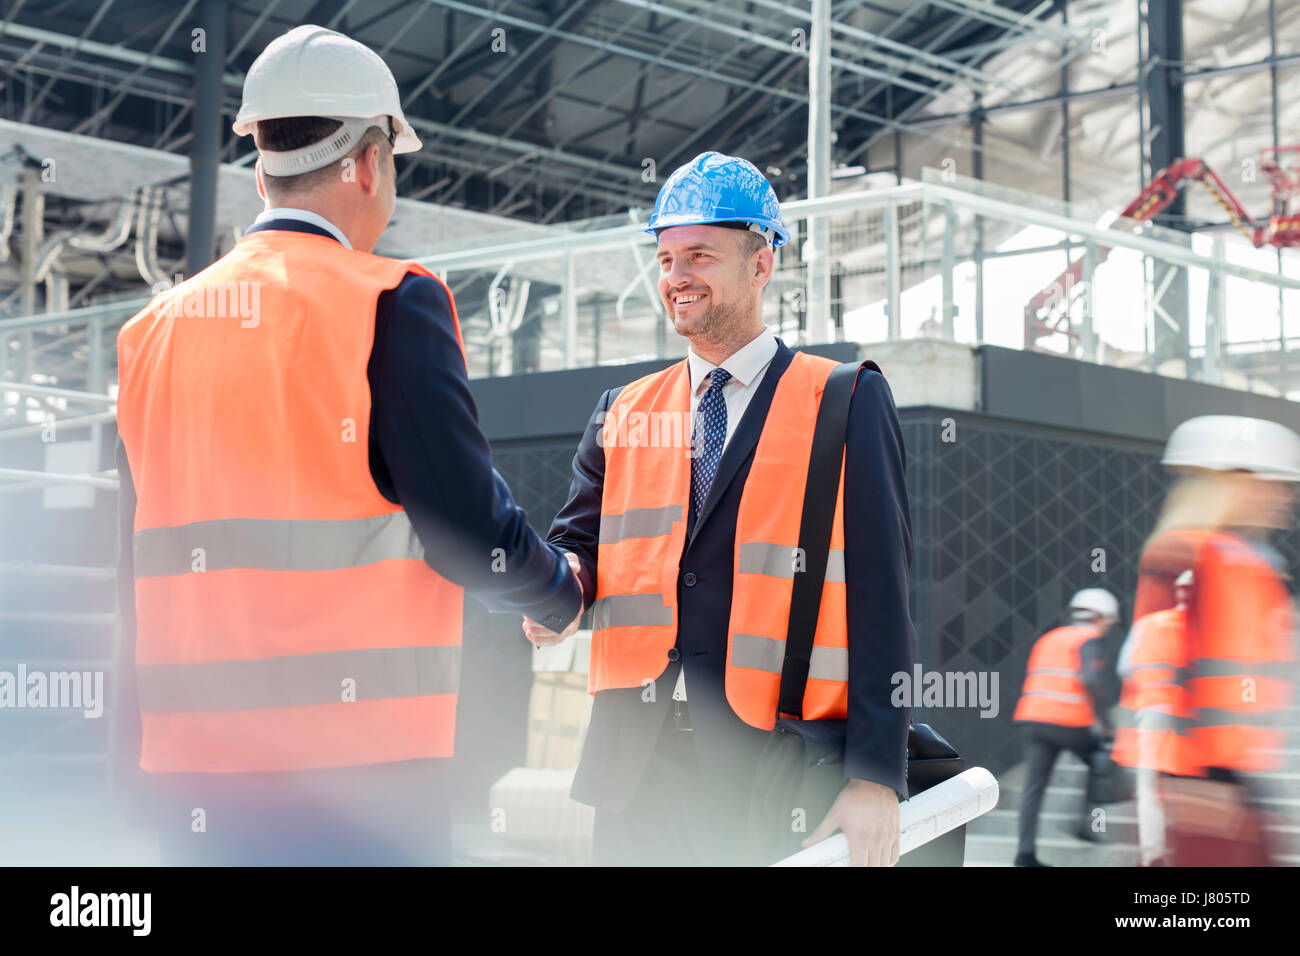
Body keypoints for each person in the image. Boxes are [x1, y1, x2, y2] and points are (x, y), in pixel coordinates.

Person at [113, 25, 581, 865]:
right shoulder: (390, 301)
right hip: (356, 778)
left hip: (188, 774)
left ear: (262, 166)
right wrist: (558, 595)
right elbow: (467, 528)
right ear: (368, 163)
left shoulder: (151, 332)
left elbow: (133, 561)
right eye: (393, 163)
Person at [522, 151, 916, 866]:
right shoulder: (624, 410)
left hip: (772, 760)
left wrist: (876, 777)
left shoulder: (845, 399)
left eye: (700, 255)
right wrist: (552, 594)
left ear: (761, 266)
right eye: (667, 258)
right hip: (632, 767)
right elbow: (577, 551)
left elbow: (882, 597)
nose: (677, 278)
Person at [1121, 415, 1298, 866]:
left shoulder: (1239, 560)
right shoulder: (1192, 558)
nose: (1286, 497)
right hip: (1198, 787)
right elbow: (1160, 675)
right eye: (1276, 484)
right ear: (1235, 482)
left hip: (1228, 783)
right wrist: (1195, 785)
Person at [1012, 588, 1119, 866]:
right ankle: (1086, 825)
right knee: (1101, 757)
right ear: (1097, 617)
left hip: (1033, 719)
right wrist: (1108, 725)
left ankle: (1025, 855)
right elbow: (1092, 679)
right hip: (1067, 721)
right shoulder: (1088, 639)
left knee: (1033, 787)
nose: (1108, 626)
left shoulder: (1050, 638)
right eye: (1107, 620)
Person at [1113, 569, 1193, 866]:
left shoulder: (1149, 623)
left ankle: (1153, 855)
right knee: (1189, 785)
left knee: (1149, 784)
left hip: (1152, 710)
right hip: (1190, 715)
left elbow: (1125, 667)